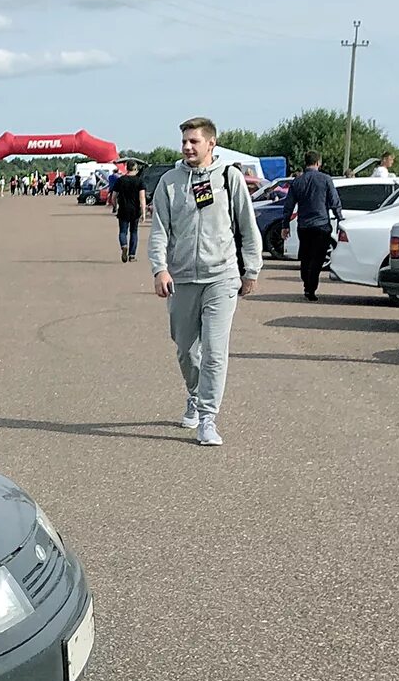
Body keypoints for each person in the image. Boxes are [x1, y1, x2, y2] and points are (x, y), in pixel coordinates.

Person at [148, 116, 261, 447]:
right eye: (184, 141)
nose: (186, 147)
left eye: (193, 141)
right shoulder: (169, 182)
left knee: (214, 350)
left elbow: (246, 224)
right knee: (185, 349)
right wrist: (160, 269)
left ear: (211, 143)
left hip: (221, 277)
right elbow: (159, 231)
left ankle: (208, 417)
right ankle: (195, 395)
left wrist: (250, 269)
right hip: (181, 279)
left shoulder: (229, 178)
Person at [280, 151, 344, 302]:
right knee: (318, 258)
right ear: (318, 163)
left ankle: (306, 282)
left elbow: (288, 205)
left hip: (304, 225)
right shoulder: (326, 179)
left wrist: (285, 224)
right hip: (321, 224)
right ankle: (311, 287)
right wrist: (340, 219)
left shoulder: (297, 181)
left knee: (306, 255)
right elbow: (335, 202)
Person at [110, 162, 146, 262]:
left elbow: (113, 196)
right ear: (135, 168)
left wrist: (115, 206)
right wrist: (143, 212)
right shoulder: (140, 181)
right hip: (135, 210)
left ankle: (124, 245)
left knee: (123, 231)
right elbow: (142, 198)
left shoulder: (120, 180)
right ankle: (132, 255)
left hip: (123, 209)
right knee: (134, 232)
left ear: (127, 168)